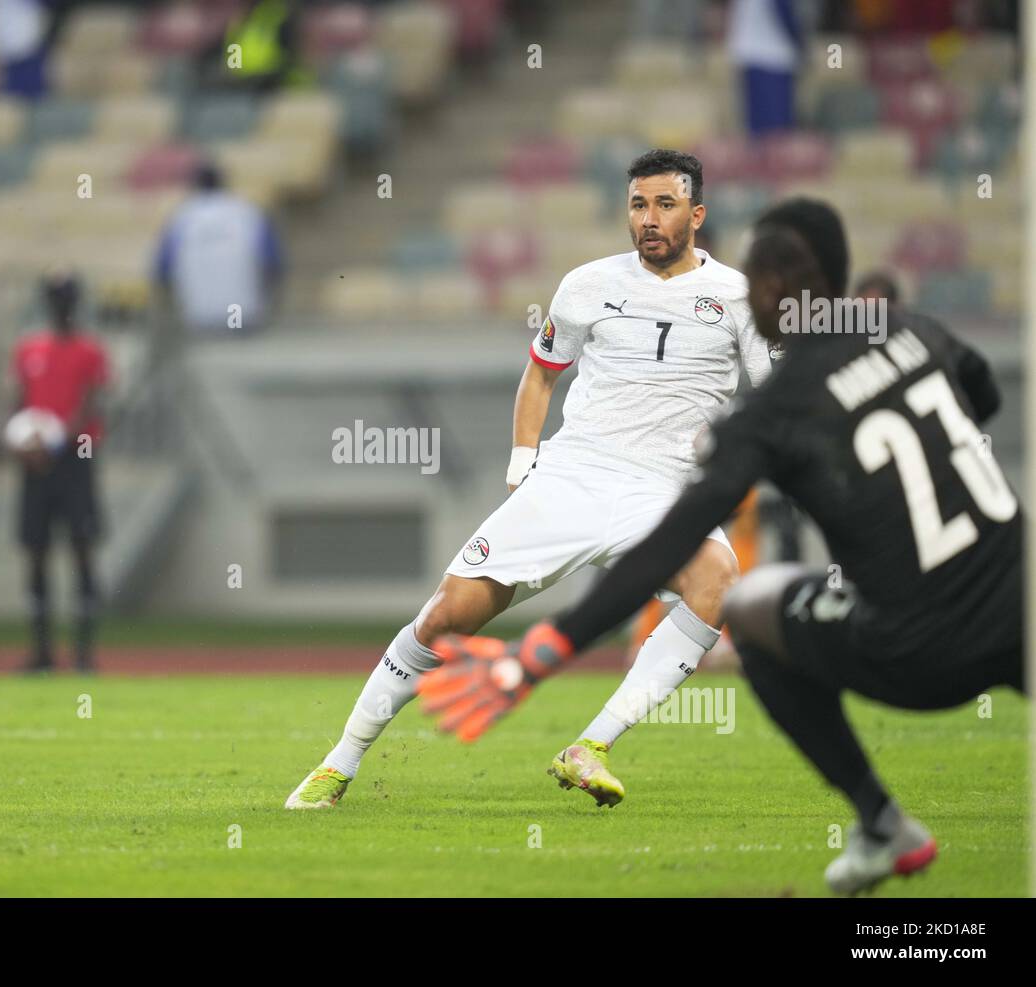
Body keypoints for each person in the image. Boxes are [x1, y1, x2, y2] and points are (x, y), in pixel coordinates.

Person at [419, 199, 1024, 895]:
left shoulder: (773, 412)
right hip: (1021, 601)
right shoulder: (908, 328)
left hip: (922, 646)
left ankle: (882, 822)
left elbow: (666, 544)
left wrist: (544, 649)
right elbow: (982, 391)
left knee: (755, 608)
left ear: (767, 291)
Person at [285, 149, 776, 810]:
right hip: (574, 474)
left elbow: (780, 390)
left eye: (665, 204)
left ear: (697, 212)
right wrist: (524, 462)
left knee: (715, 580)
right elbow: (543, 372)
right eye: (638, 205)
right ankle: (339, 763)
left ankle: (592, 745)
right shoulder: (586, 284)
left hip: (664, 491)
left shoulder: (739, 297)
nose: (650, 219)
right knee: (445, 617)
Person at [9, 270, 110, 674]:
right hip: (36, 463)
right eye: (55, 299)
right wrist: (22, 440)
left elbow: (93, 402)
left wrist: (57, 438)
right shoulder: (28, 351)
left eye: (65, 299)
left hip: (74, 460)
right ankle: (42, 650)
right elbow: (17, 402)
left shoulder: (90, 352)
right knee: (36, 552)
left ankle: (84, 651)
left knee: (82, 549)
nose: (60, 307)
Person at [152, 161, 283, 344]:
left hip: (198, 318)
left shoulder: (182, 217)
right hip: (242, 317)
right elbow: (273, 263)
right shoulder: (247, 212)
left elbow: (162, 269)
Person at [727, 0, 803, 137]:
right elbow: (783, 10)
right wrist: (800, 43)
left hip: (751, 52)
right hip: (772, 55)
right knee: (775, 128)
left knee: (758, 125)